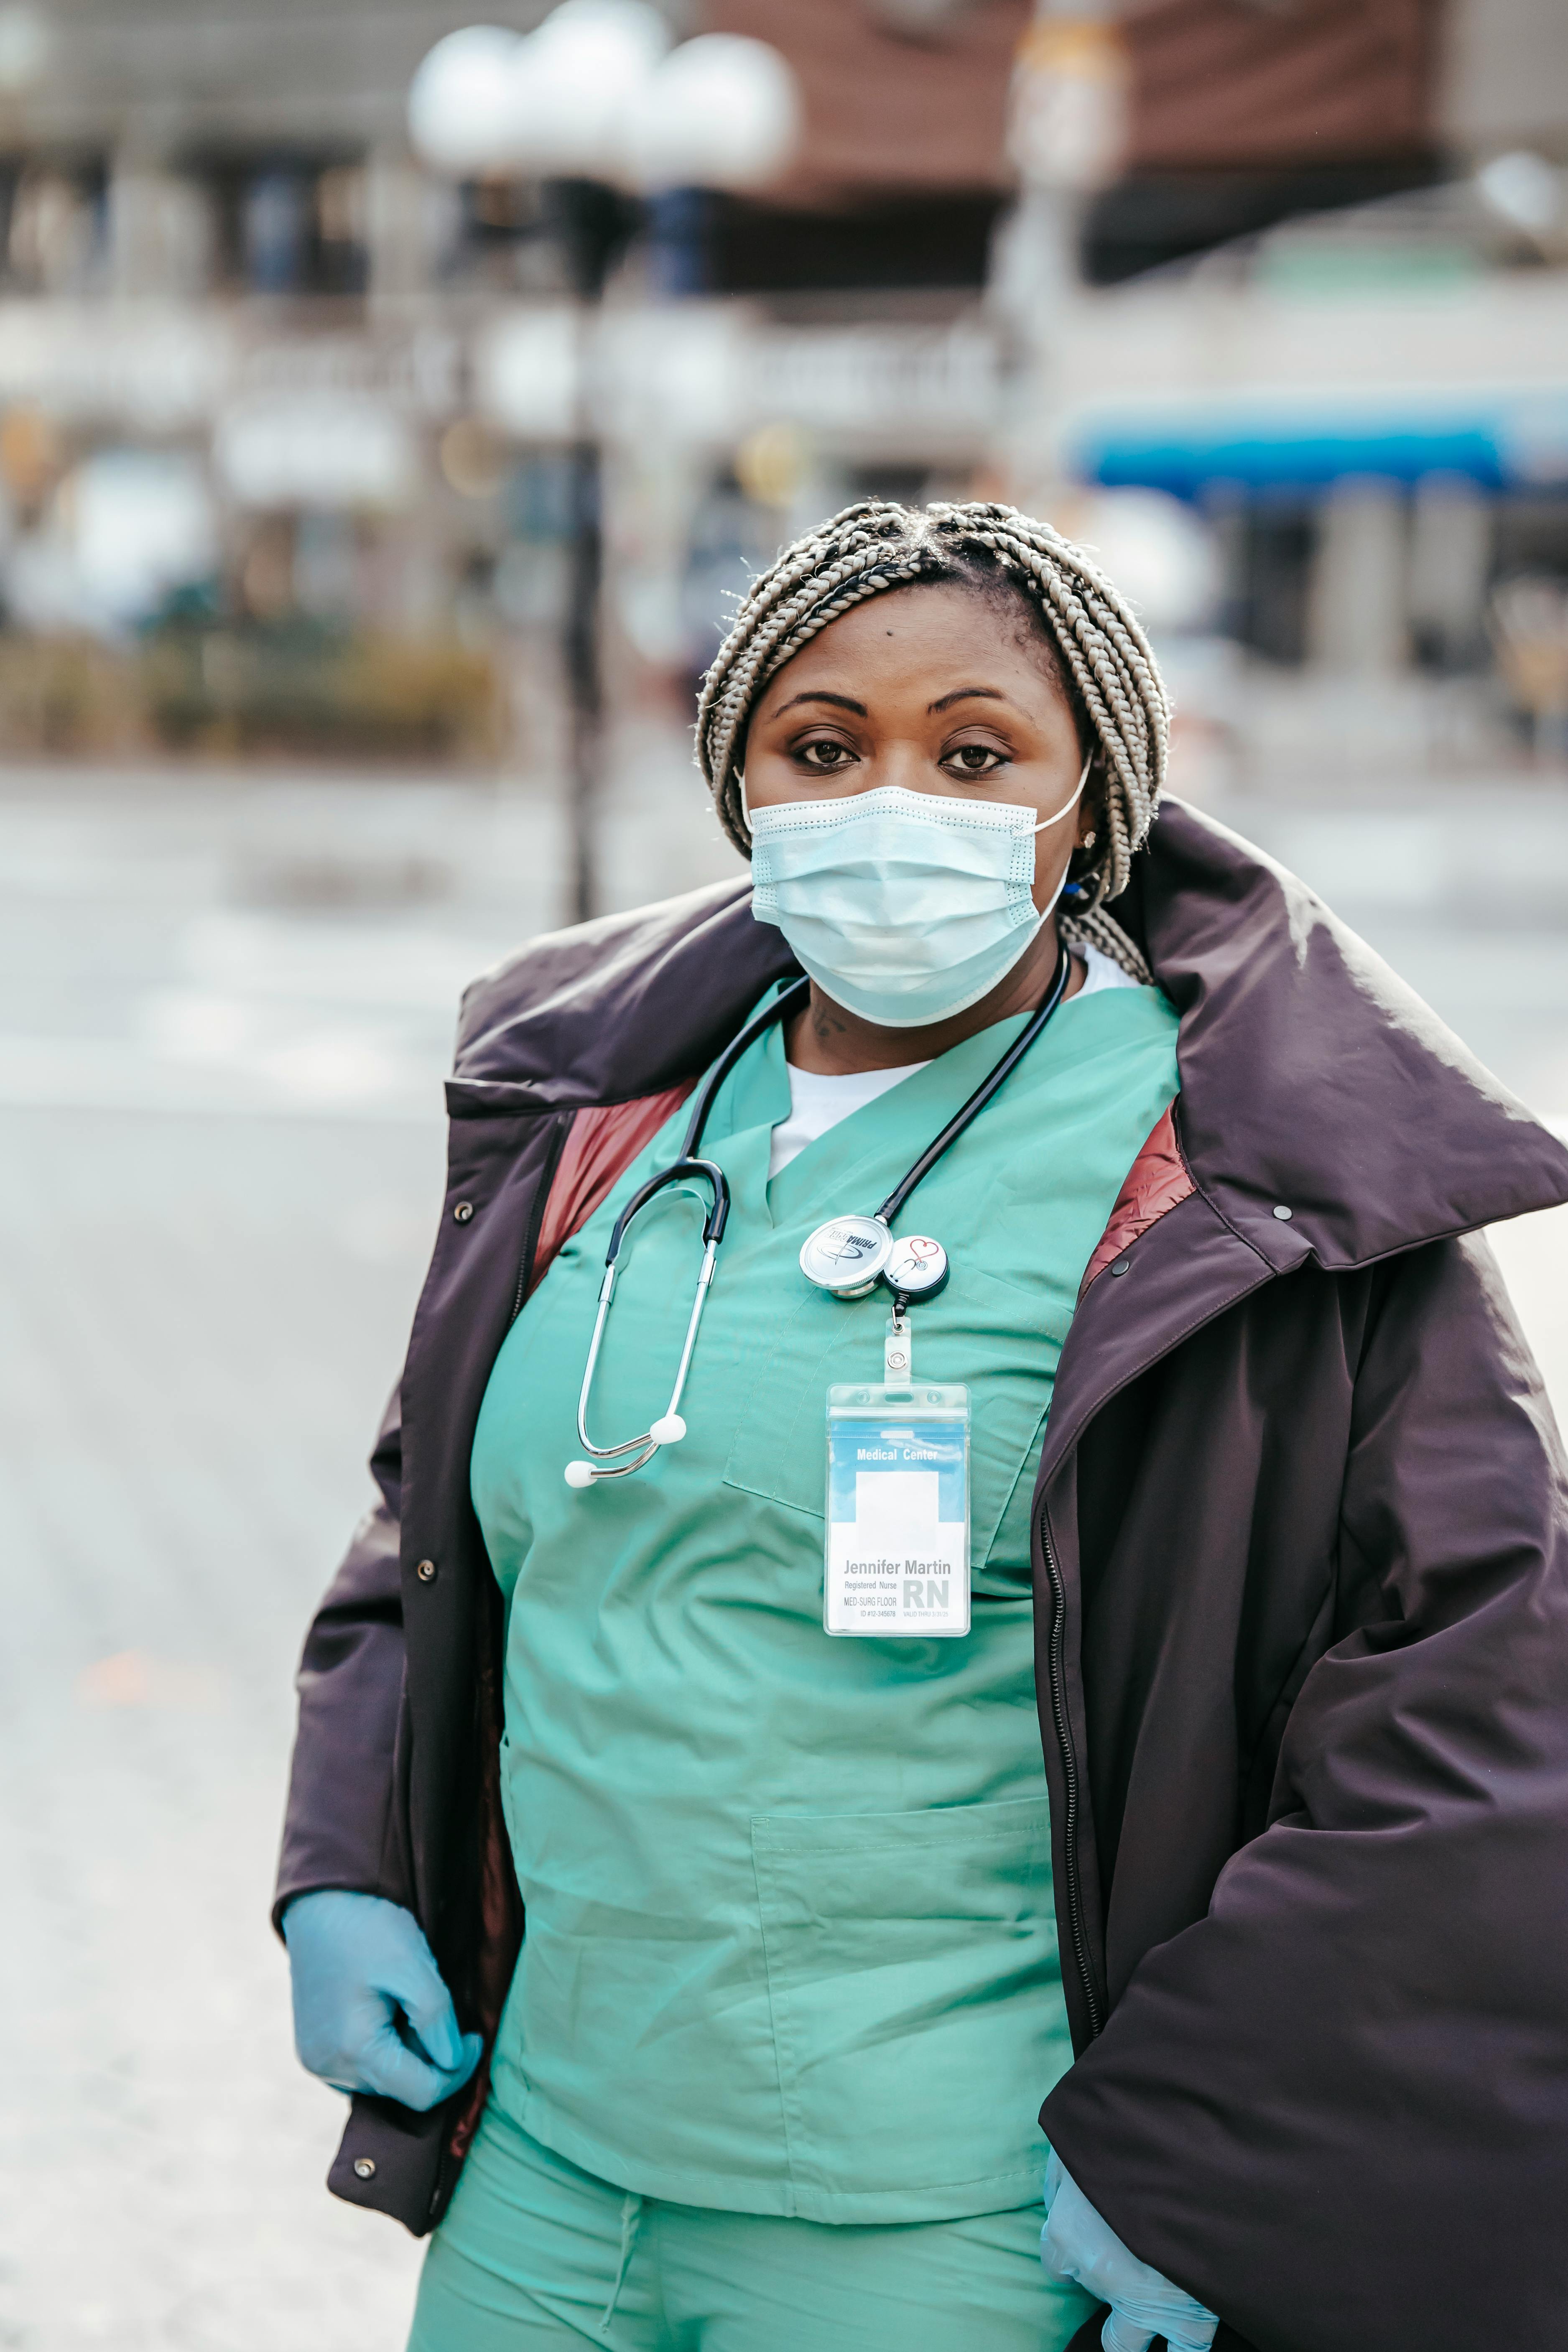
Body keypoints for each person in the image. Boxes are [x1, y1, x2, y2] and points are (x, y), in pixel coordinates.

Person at [275, 500, 1568, 2352]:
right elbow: (439, 1527)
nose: (891, 804)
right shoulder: (599, 1115)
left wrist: (1212, 2163)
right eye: (822, 748)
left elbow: (1471, 1717)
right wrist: (342, 1863)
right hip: (547, 2170)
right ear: (741, 784)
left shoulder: (1253, 1186)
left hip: (954, 2215)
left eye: (975, 754)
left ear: (1087, 799)